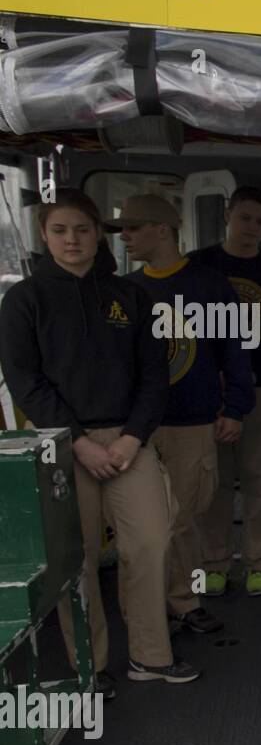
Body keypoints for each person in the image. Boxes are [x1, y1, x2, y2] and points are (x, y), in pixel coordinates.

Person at [0, 189, 200, 695]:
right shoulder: (24, 301)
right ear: (44, 236)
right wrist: (80, 442)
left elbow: (154, 377)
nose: (73, 240)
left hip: (128, 442)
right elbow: (26, 381)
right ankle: (91, 665)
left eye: (82, 230)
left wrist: (133, 438)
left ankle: (151, 657)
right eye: (61, 231)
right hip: (64, 445)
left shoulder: (130, 297)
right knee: (79, 558)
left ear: (97, 235)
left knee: (151, 543)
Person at [110, 195, 255, 636]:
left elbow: (235, 352)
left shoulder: (210, 286)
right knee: (146, 526)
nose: (127, 238)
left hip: (193, 421)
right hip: (138, 428)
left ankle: (187, 600)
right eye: (123, 231)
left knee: (186, 520)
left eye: (134, 228)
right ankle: (151, 608)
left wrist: (235, 408)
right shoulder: (127, 292)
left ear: (163, 230)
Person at [192, 185, 261, 598]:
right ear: (227, 216)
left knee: (259, 480)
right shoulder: (198, 267)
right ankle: (214, 562)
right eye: (245, 218)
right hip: (207, 394)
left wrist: (258, 369)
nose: (251, 228)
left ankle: (260, 562)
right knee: (214, 483)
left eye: (260, 222)